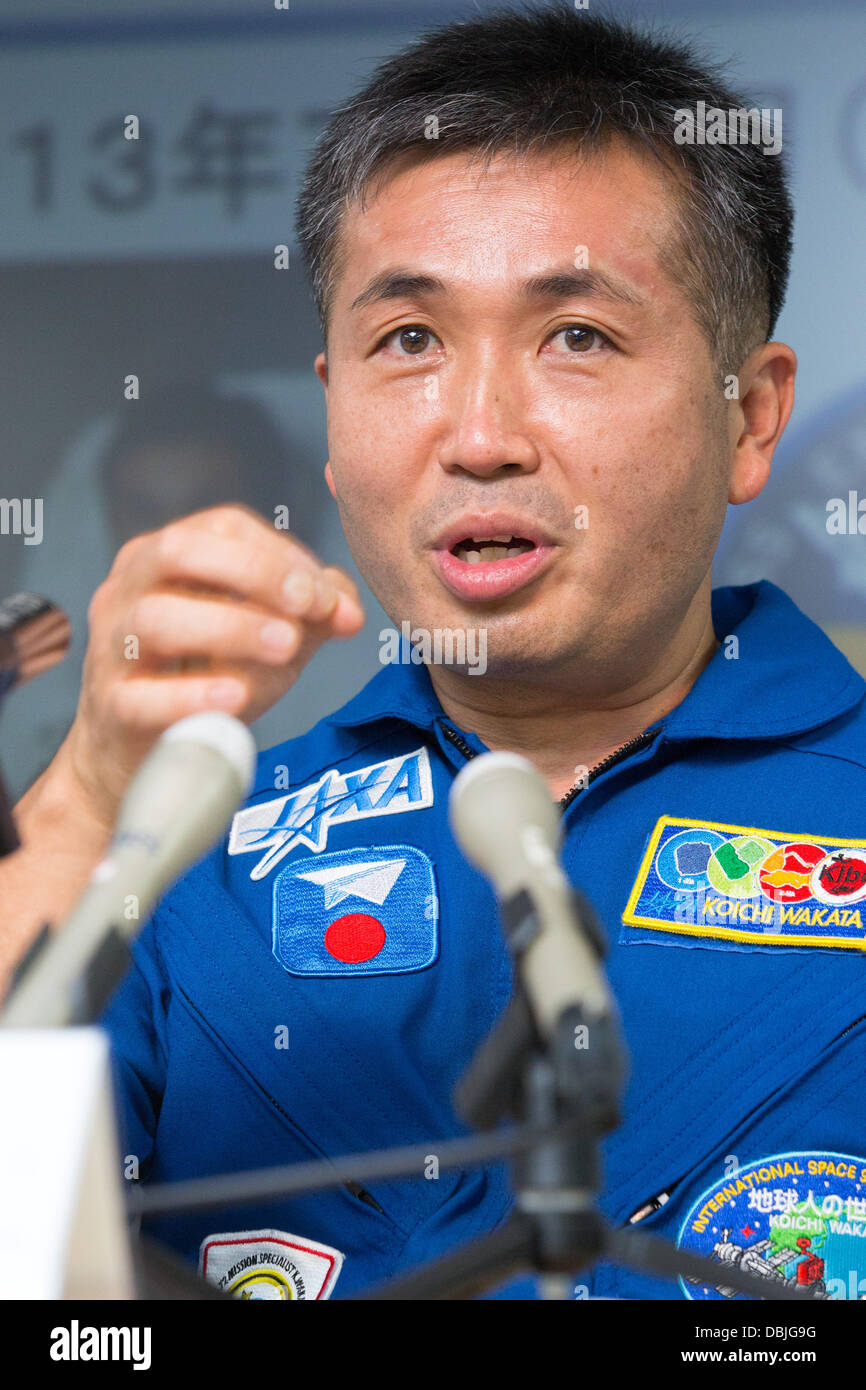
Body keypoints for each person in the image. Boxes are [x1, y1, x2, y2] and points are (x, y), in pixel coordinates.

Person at [3, 4, 866, 1301]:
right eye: (408, 340)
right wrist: (83, 795)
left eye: (575, 334)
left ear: (747, 417)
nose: (479, 434)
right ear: (336, 418)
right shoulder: (187, 853)